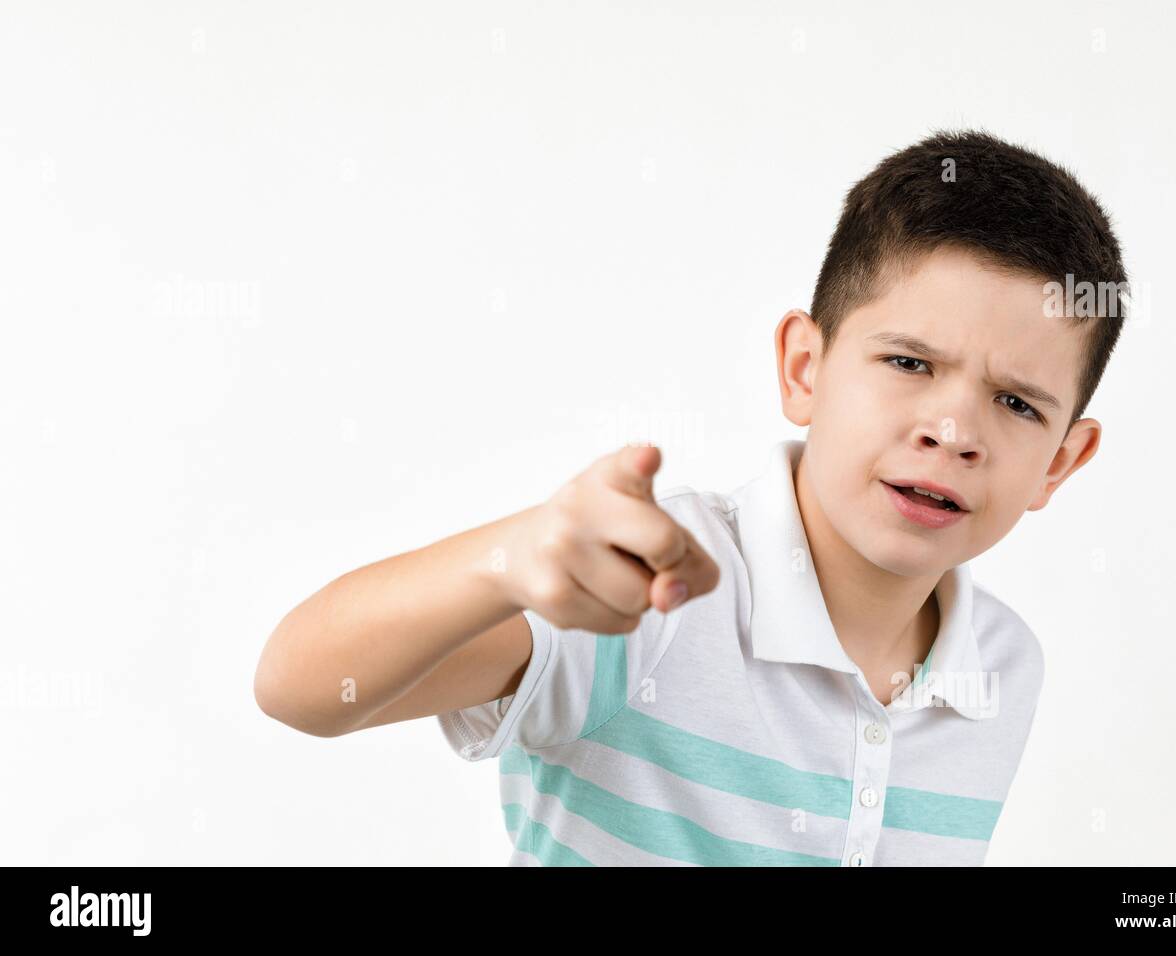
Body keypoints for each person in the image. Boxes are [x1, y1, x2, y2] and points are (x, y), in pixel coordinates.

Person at [254, 128, 1128, 866]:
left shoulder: (1002, 670)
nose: (954, 430)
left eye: (1017, 404)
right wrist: (507, 564)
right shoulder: (650, 594)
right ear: (804, 369)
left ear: (1061, 461)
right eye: (909, 363)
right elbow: (300, 686)